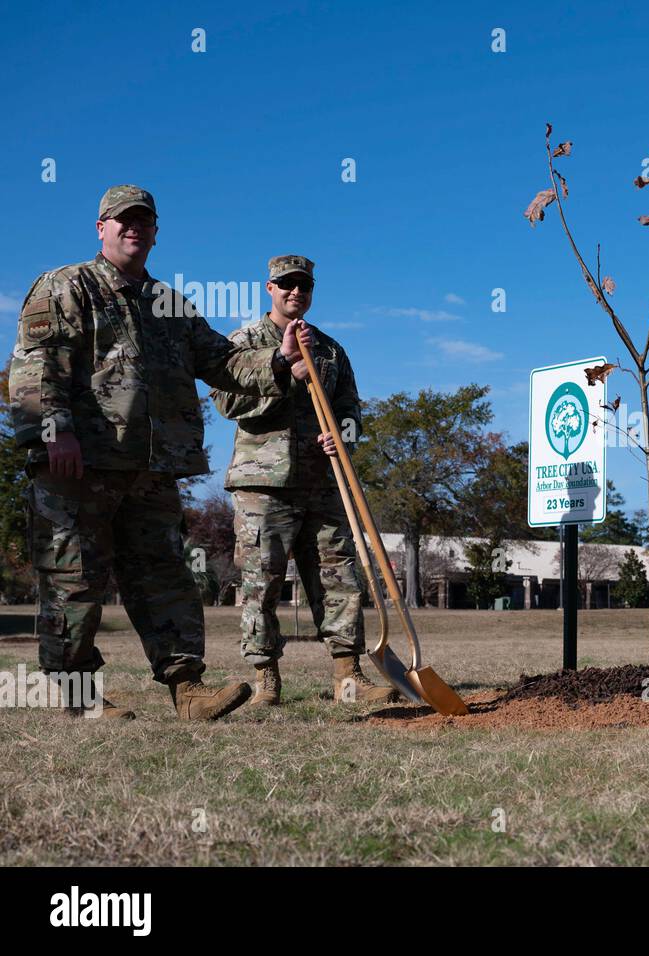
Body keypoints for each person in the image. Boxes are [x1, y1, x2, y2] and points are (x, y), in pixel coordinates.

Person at [8, 185, 310, 720]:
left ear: (155, 232)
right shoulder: (66, 285)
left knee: (165, 578)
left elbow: (222, 361)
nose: (134, 228)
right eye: (122, 219)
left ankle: (187, 689)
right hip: (80, 465)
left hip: (151, 470)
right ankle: (81, 700)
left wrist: (279, 361)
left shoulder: (169, 302)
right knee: (74, 583)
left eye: (144, 221)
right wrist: (56, 433)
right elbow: (37, 366)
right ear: (100, 227)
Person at [211, 256, 394, 706]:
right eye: (287, 285)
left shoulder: (330, 349)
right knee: (262, 580)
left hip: (323, 480)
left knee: (339, 576)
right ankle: (266, 679)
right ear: (269, 288)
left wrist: (343, 436)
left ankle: (348, 678)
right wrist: (282, 373)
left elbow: (351, 407)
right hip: (263, 484)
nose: (296, 292)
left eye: (304, 286)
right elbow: (226, 404)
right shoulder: (244, 342)